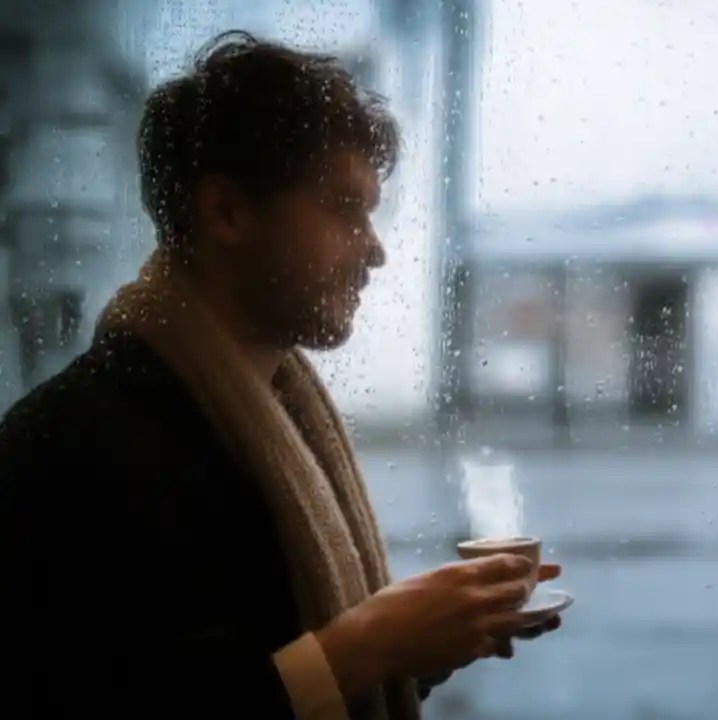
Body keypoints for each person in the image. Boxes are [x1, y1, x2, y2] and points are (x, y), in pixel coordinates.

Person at [0, 31, 560, 720]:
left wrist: (431, 636)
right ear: (226, 212)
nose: (376, 251)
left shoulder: (266, 425)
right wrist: (370, 644)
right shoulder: (69, 448)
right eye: (345, 208)